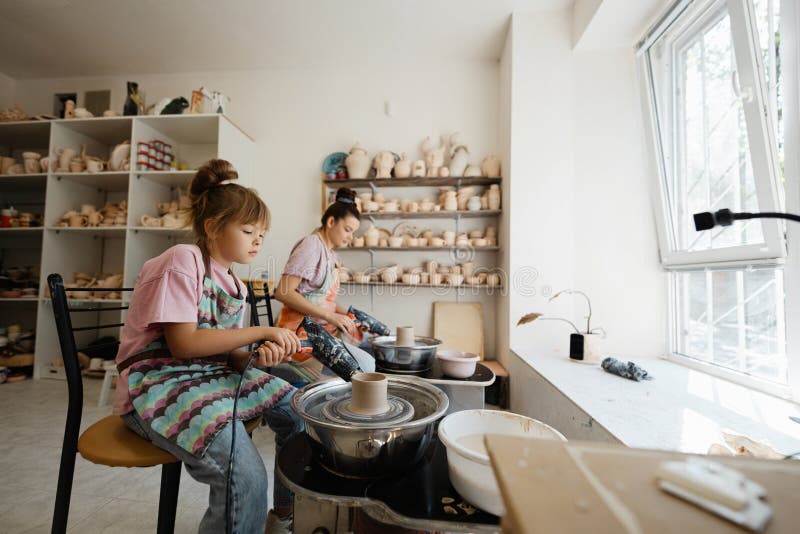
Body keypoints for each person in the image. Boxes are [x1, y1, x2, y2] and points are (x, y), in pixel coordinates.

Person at [113, 159, 302, 533]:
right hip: (154, 386)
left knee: (299, 414)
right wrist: (257, 333)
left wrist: (256, 356)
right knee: (245, 477)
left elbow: (222, 351)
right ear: (213, 227)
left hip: (204, 376)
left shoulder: (233, 282)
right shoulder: (184, 260)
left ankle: (282, 515)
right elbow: (183, 344)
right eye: (249, 231)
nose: (259, 241)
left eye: (262, 233)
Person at [273, 187, 375, 382]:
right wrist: (331, 316)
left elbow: (324, 300)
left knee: (370, 343)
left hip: (323, 330)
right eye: (347, 230)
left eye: (353, 232)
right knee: (366, 366)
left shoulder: (331, 254)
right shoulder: (311, 246)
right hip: (301, 334)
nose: (350, 237)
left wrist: (351, 317)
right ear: (330, 222)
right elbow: (283, 292)